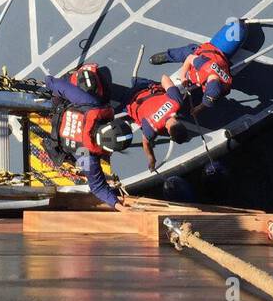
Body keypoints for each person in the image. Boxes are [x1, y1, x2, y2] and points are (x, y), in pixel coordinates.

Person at [44, 71, 130, 209]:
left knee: (103, 75)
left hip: (57, 112)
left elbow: (53, 83)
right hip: (53, 141)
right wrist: (118, 205)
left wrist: (48, 81)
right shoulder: (86, 155)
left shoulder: (90, 104)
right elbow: (98, 188)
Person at [148, 17, 244, 109]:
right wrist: (183, 76)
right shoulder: (205, 66)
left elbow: (210, 97)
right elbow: (190, 58)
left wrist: (199, 108)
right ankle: (167, 56)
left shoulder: (223, 85)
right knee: (185, 52)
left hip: (212, 65)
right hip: (203, 54)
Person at [125, 75, 190, 172]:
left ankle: (135, 80)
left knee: (136, 81)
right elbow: (145, 143)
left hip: (146, 86)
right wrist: (151, 158)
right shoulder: (151, 129)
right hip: (130, 99)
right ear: (168, 131)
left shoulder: (176, 101)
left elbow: (164, 78)